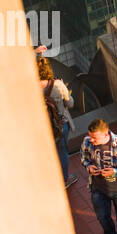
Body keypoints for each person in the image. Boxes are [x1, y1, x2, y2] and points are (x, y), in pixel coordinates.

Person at [37, 56, 76, 187]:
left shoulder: (31, 89)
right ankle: (65, 179)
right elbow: (70, 104)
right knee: (62, 151)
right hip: (60, 124)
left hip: (42, 128)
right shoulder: (58, 85)